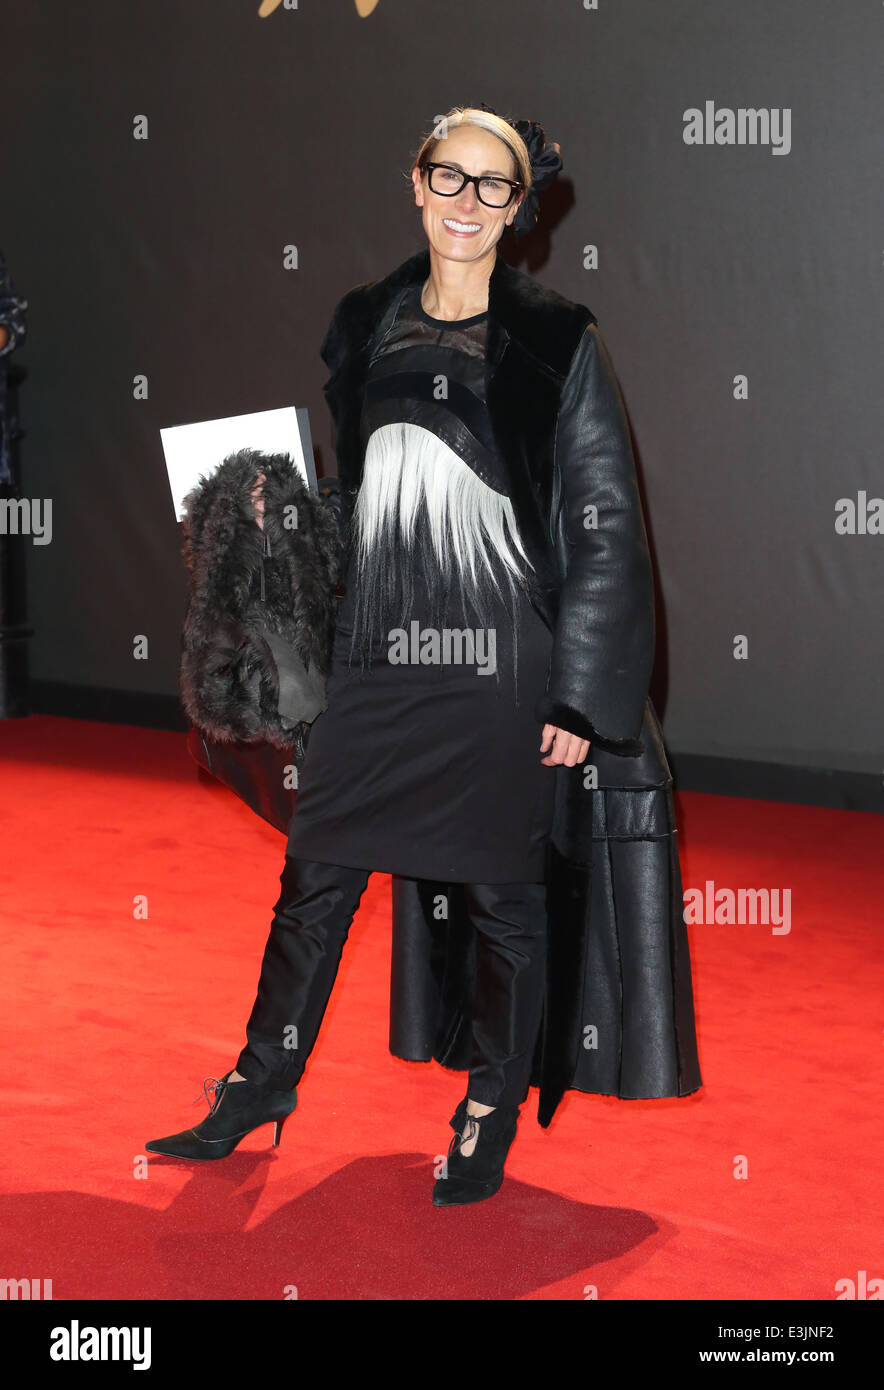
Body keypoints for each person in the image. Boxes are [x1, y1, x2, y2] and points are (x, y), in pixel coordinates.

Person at [146, 105, 670, 1205]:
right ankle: (260, 1077)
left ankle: (486, 1105)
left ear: (519, 209)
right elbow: (367, 498)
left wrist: (579, 697)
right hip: (381, 652)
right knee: (315, 871)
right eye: (451, 176)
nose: (468, 201)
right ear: (415, 183)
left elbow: (604, 524)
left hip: (500, 661)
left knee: (500, 895)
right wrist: (278, 511)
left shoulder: (558, 339)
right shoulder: (366, 321)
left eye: (495, 185)